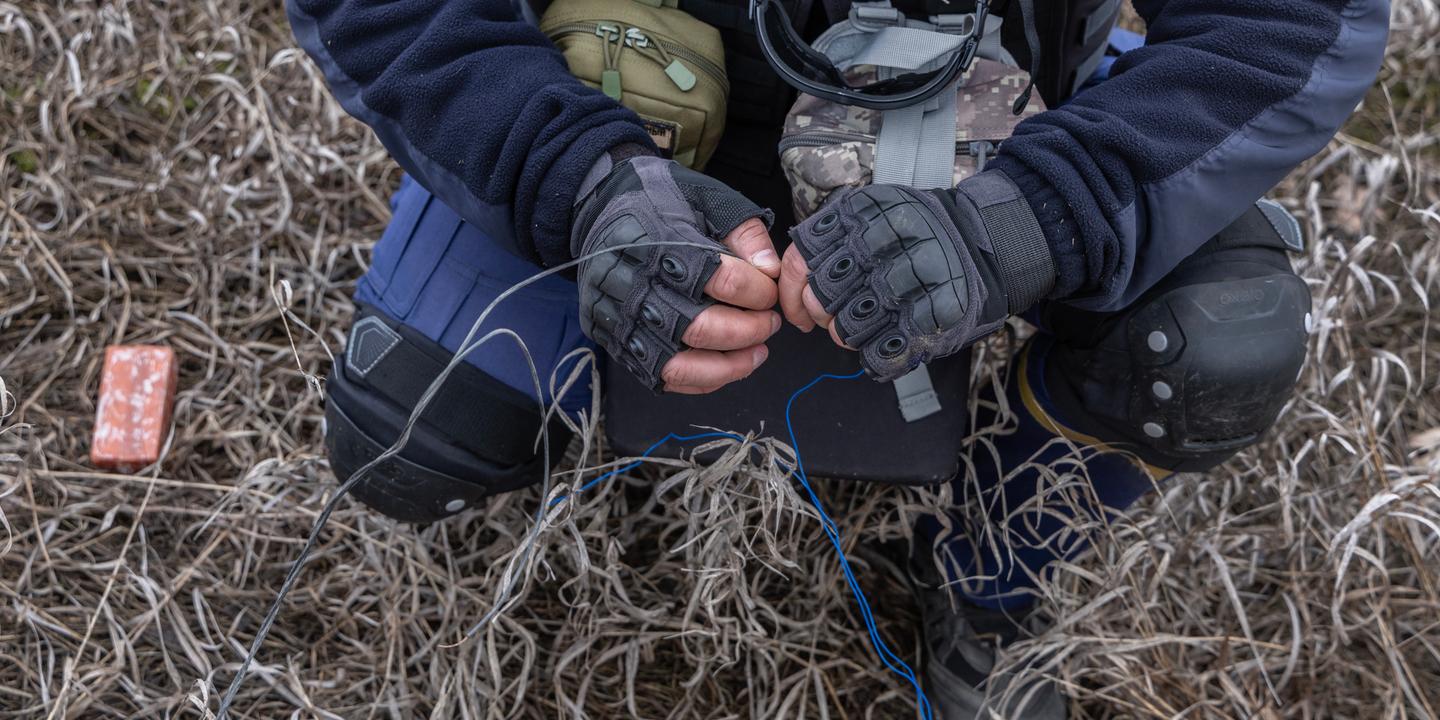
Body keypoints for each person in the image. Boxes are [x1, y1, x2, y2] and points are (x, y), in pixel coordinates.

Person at [288, 0, 1389, 716]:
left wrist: (1035, 216)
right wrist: (573, 178)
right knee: (414, 420)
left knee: (1203, 350)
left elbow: (1297, 20)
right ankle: (621, 420)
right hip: (623, 108)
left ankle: (986, 585)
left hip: (1004, 108)